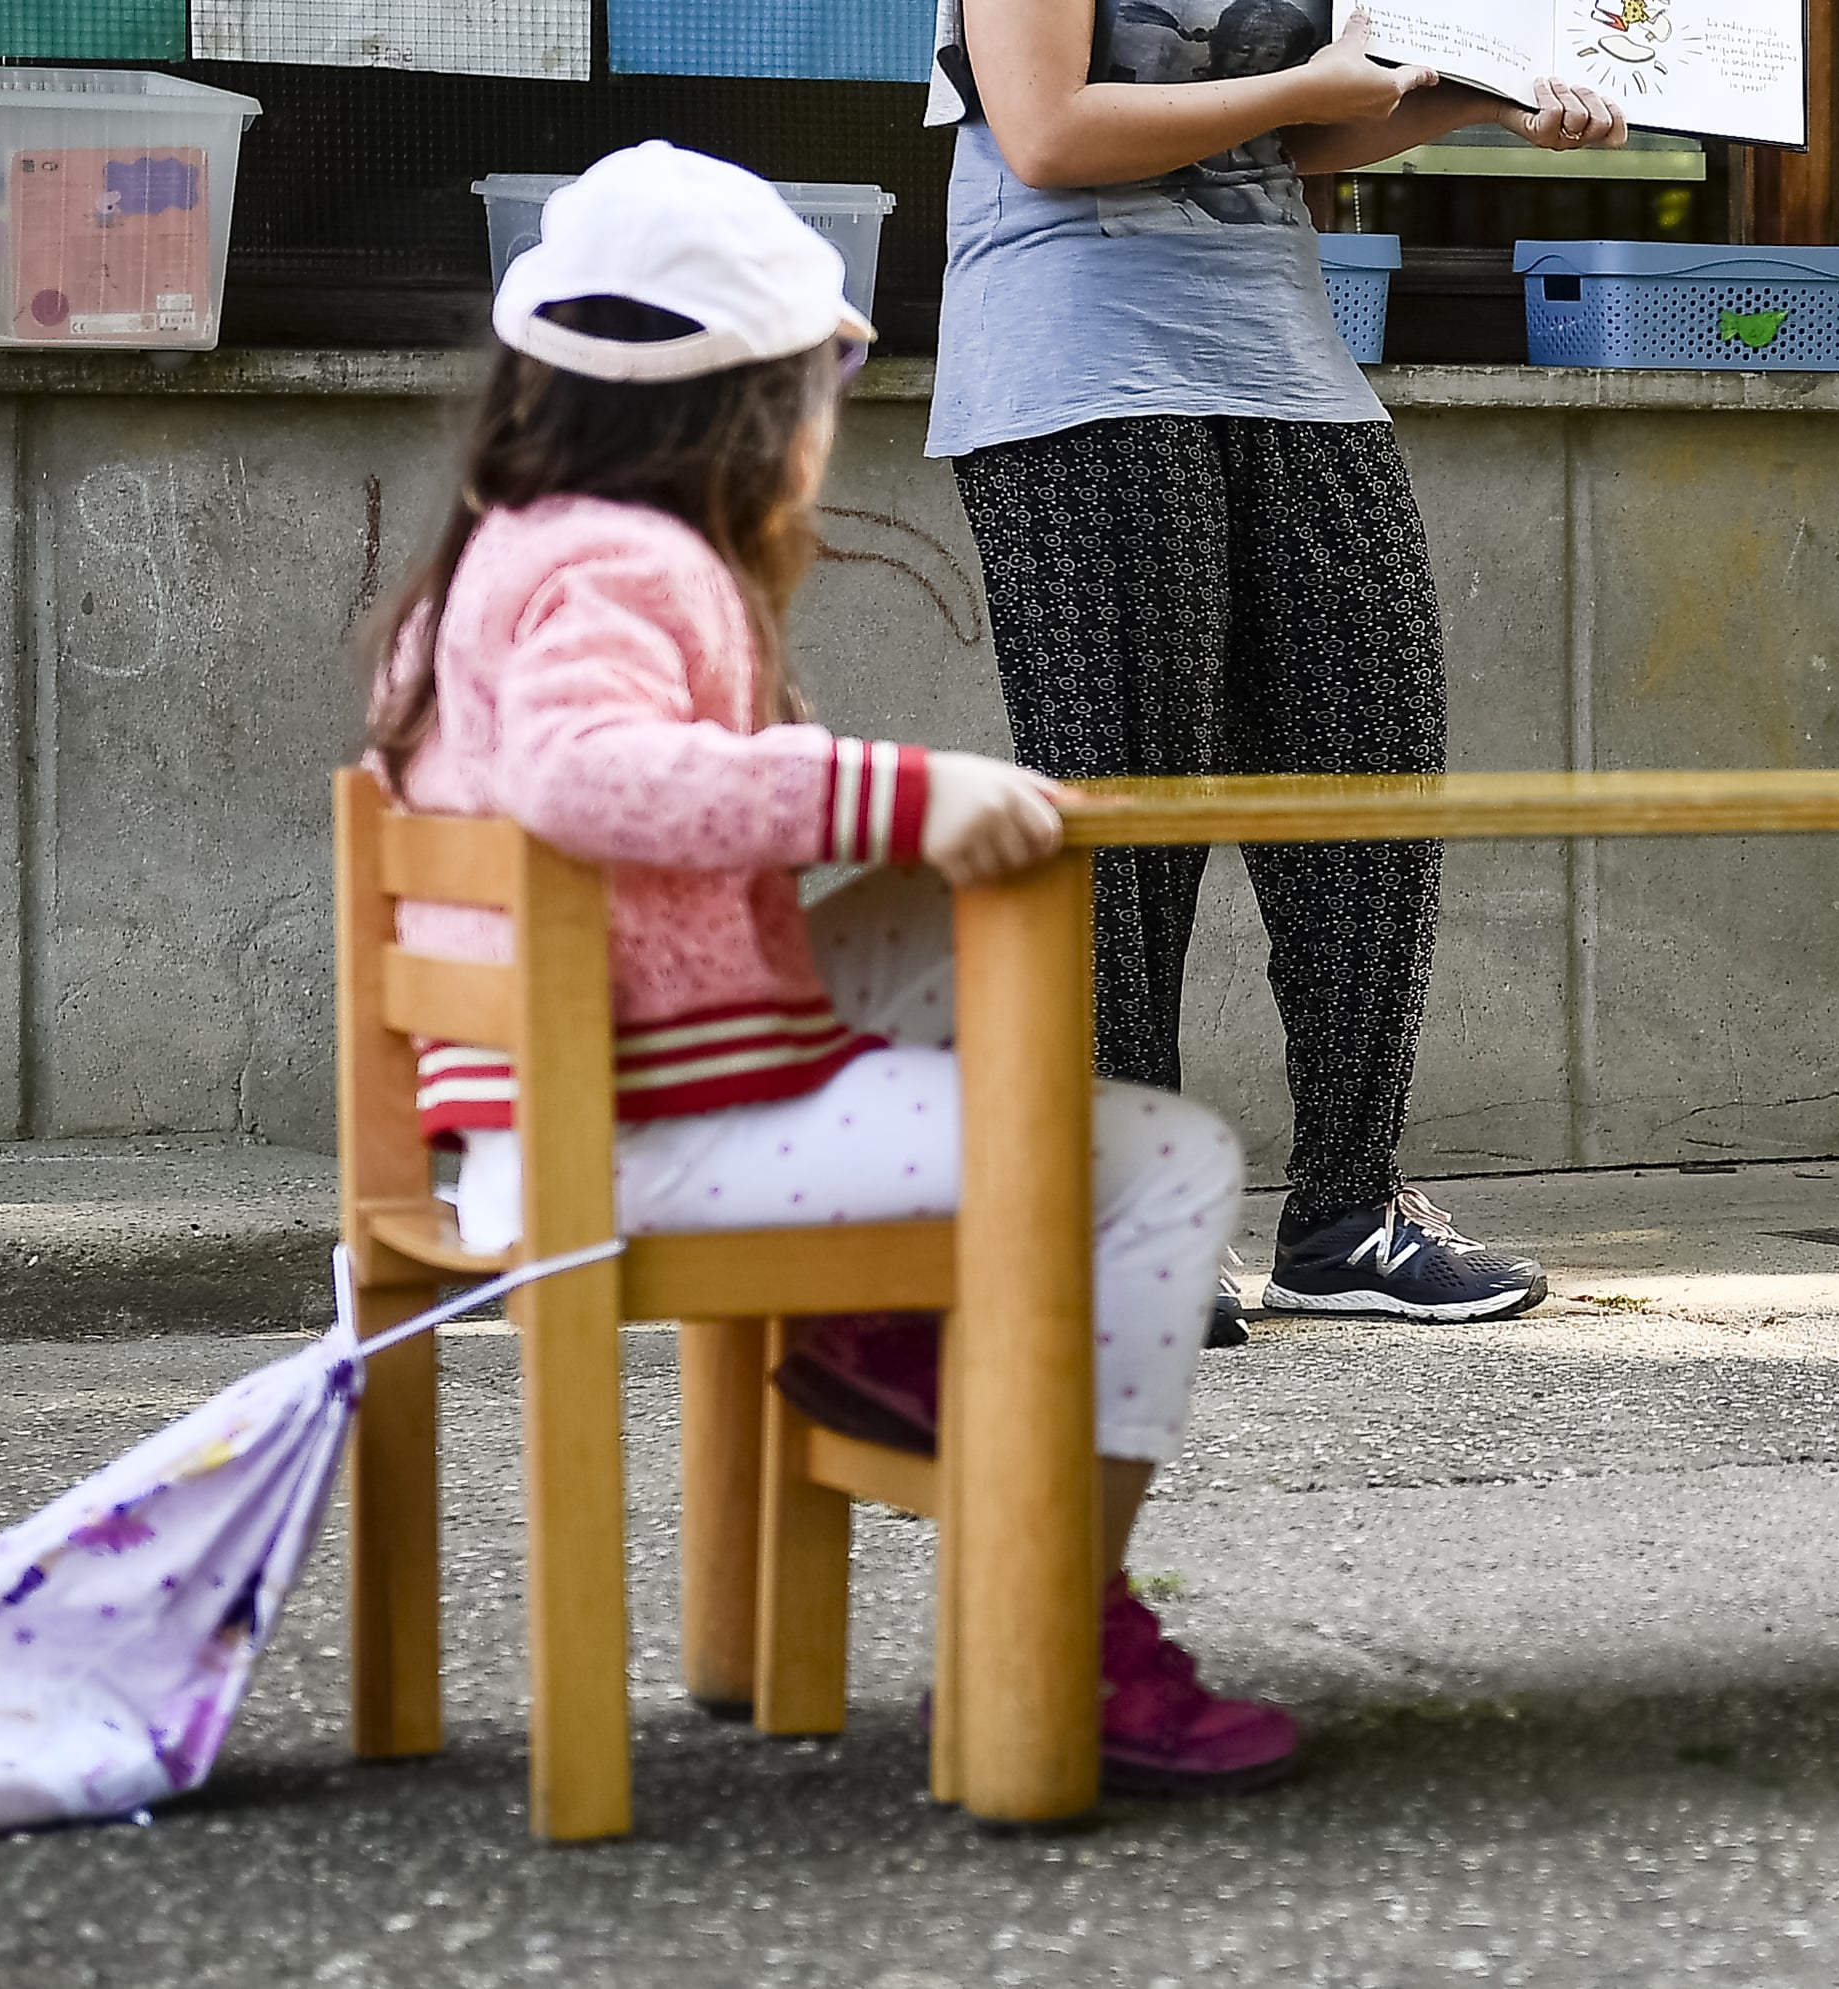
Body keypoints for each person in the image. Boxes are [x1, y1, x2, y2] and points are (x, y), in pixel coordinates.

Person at [370, 142, 1297, 1798]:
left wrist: (891, 801)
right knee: (1173, 1165)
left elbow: (632, 791)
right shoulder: (625, 563)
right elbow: (584, 777)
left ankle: (878, 1320)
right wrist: (900, 787)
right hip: (634, 1136)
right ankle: (1056, 1622)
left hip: (564, 1103)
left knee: (957, 905)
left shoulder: (504, 548)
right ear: (746, 406)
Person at [929, 0, 1635, 1323]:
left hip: (1277, 346)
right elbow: (1054, 123)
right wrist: (1311, 91)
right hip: (1079, 357)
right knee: (1124, 797)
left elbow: (1321, 137)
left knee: (1370, 751)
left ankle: (1345, 1213)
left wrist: (1480, 96)